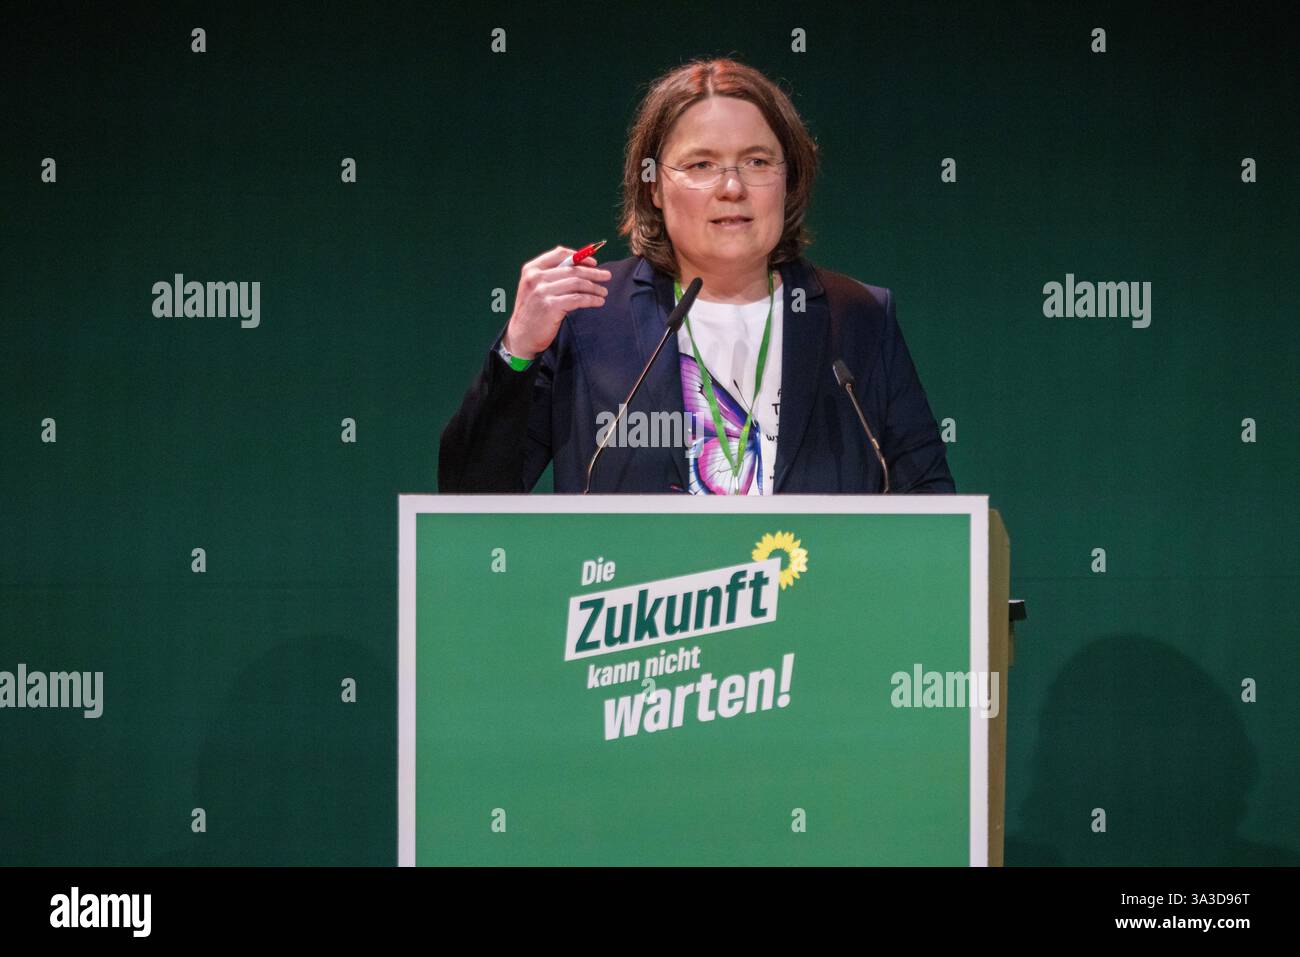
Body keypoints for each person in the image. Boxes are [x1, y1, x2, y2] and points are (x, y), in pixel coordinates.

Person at [439, 58, 954, 495]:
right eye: (701, 165)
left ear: (789, 179)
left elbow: (930, 509)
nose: (732, 187)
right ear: (654, 187)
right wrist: (518, 351)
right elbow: (470, 497)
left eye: (756, 161)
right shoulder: (589, 315)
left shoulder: (858, 316)